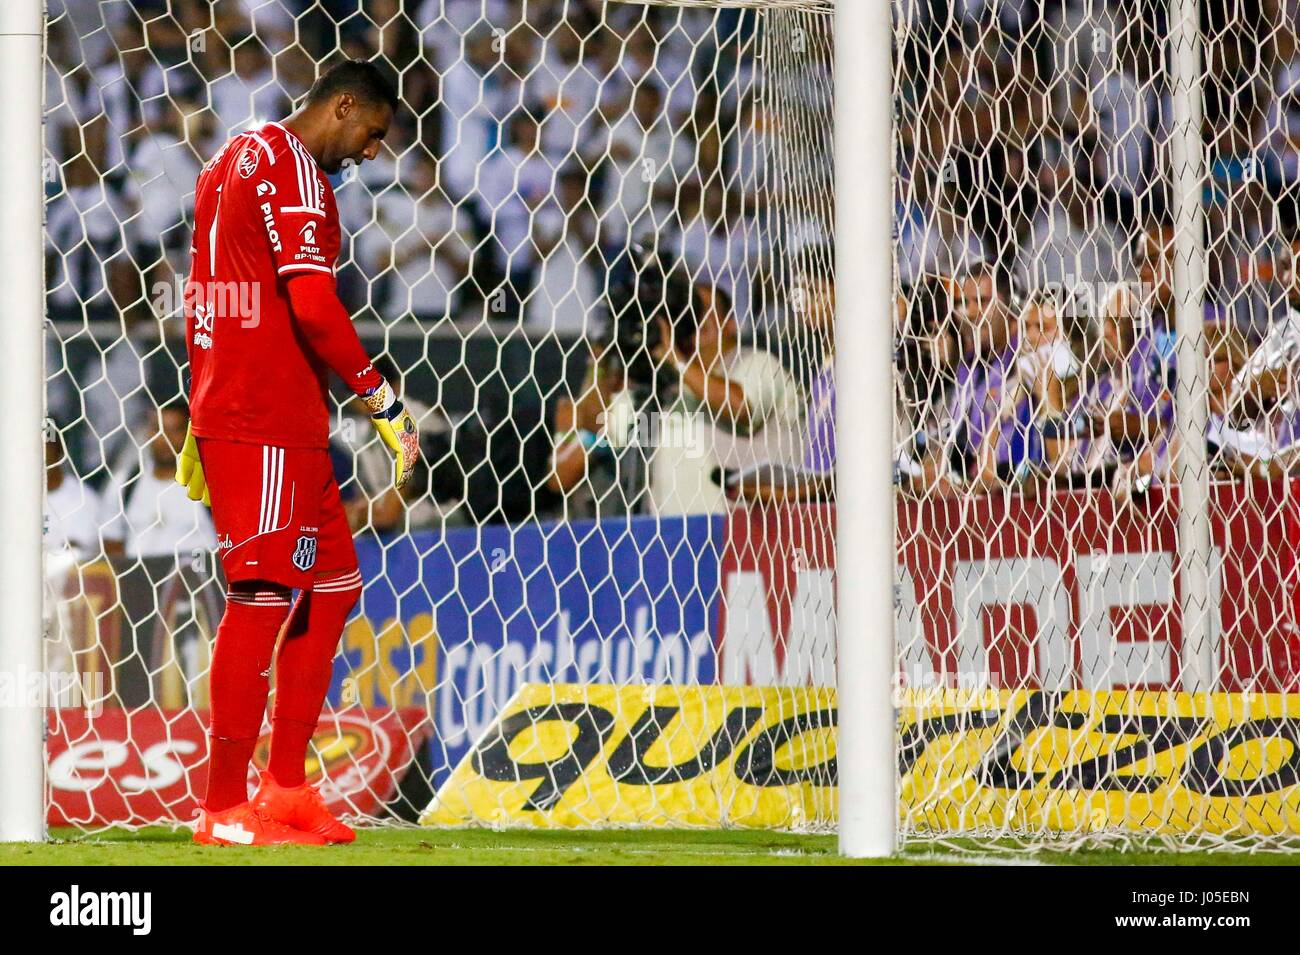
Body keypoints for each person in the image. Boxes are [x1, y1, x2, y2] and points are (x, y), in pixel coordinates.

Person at [176, 59, 419, 847]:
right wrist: (379, 397)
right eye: (373, 133)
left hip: (265, 412)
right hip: (264, 416)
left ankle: (284, 786)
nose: (372, 152)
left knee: (337, 583)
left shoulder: (234, 156)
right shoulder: (297, 175)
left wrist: (200, 398)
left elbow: (212, 285)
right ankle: (219, 805)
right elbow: (313, 306)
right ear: (343, 106)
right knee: (262, 595)